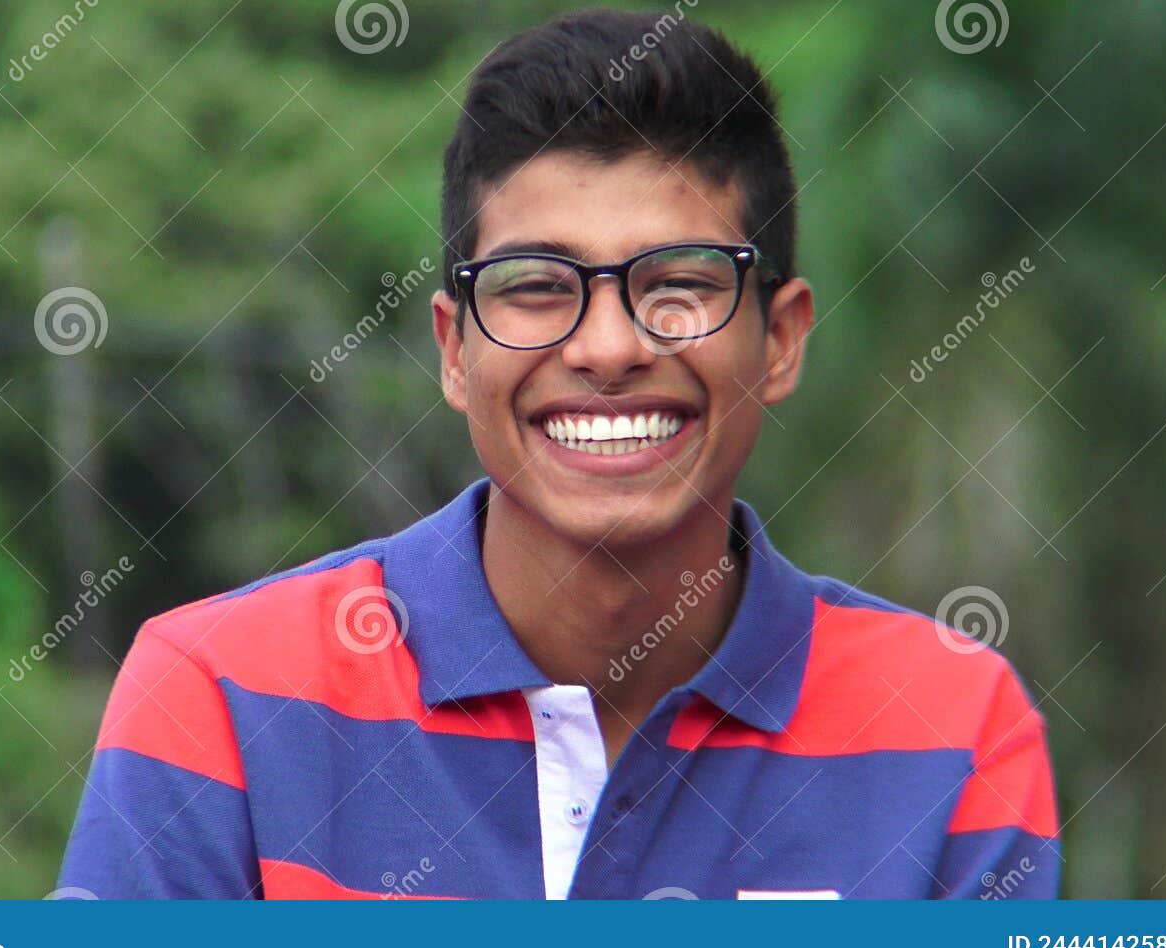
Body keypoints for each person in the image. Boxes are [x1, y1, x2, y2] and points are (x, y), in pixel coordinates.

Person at [57, 7, 1059, 899]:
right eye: (537, 285)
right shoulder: (222, 698)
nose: (609, 348)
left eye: (680, 283)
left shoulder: (951, 728)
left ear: (782, 341)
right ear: (455, 350)